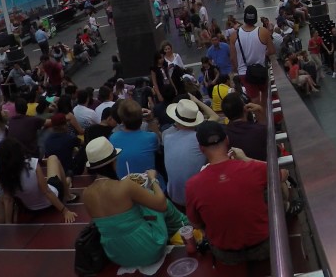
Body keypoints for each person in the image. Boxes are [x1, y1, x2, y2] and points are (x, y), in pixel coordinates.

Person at [82, 137, 189, 271]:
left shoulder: (86, 194)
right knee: (160, 201)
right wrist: (153, 179)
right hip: (148, 249)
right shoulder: (125, 186)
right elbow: (161, 204)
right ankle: (185, 226)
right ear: (113, 161)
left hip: (115, 254)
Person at [185, 121, 271, 264]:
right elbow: (283, 173)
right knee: (270, 190)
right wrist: (246, 159)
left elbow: (196, 223)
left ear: (201, 148)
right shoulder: (252, 168)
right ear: (227, 140)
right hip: (264, 246)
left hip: (225, 254)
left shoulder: (192, 185)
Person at [0, 137, 75, 223]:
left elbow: (8, 199)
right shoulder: (32, 163)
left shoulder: (5, 176)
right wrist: (65, 211)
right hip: (51, 203)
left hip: (31, 209)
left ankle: (67, 180)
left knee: (4, 196)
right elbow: (46, 191)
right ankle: (68, 194)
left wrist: (8, 224)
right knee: (53, 158)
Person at [162, 98, 217, 209]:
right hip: (195, 200)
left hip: (174, 199)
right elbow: (215, 117)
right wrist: (196, 101)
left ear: (176, 119)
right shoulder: (200, 139)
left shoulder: (166, 137)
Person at [231, 5, 275, 108]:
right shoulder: (263, 32)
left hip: (244, 72)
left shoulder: (234, 35)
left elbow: (233, 58)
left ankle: (260, 117)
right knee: (264, 94)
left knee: (254, 100)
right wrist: (263, 53)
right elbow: (272, 50)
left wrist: (237, 69)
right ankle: (265, 114)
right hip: (260, 70)